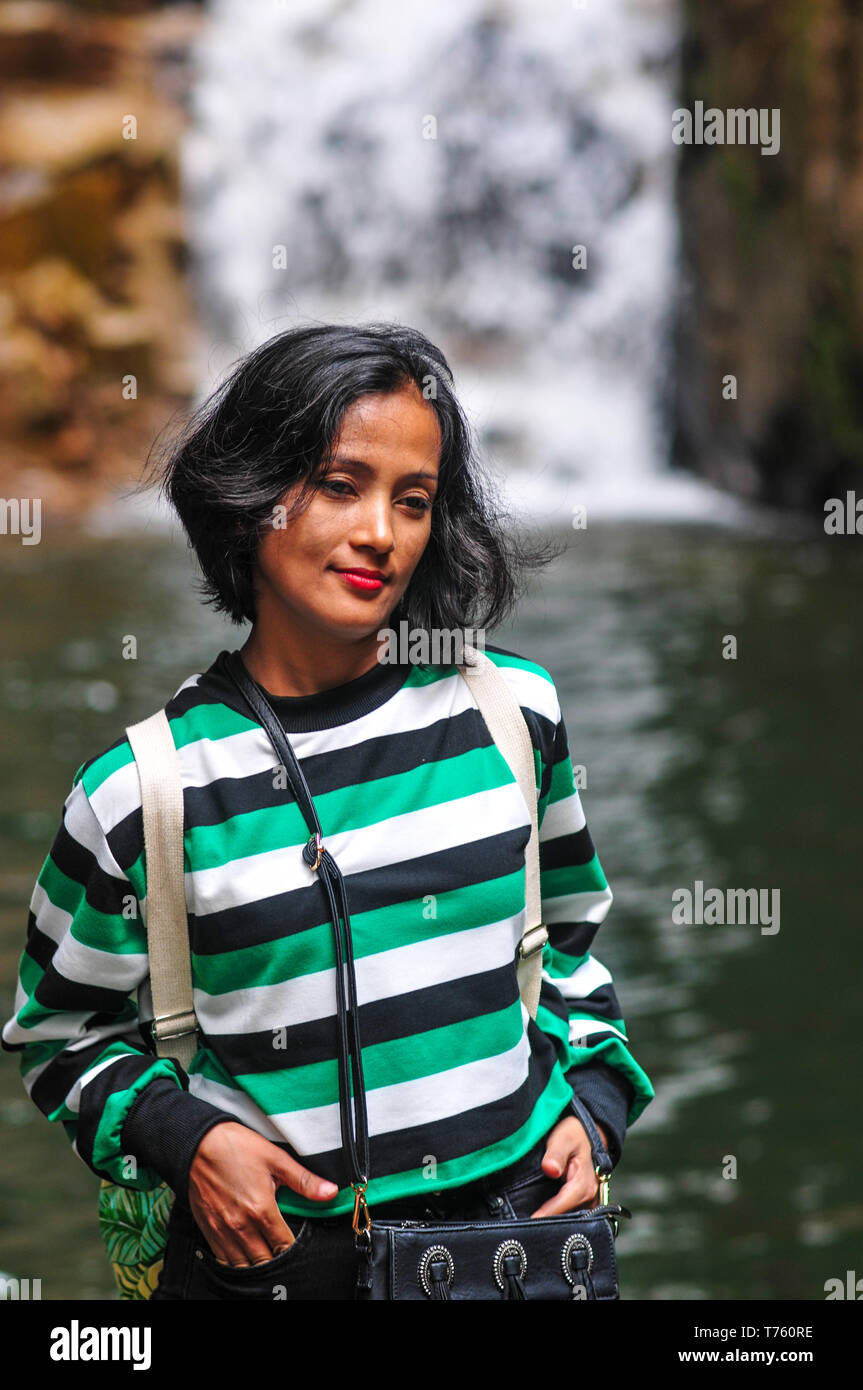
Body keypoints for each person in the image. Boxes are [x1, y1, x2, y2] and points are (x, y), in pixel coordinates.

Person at [1, 322, 654, 1300]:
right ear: (250, 489)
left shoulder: (513, 715)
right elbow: (58, 1033)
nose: (379, 532)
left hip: (520, 1244)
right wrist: (190, 1140)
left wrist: (594, 1102)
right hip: (275, 1265)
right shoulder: (142, 788)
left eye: (414, 500)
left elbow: (566, 945)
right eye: (340, 485)